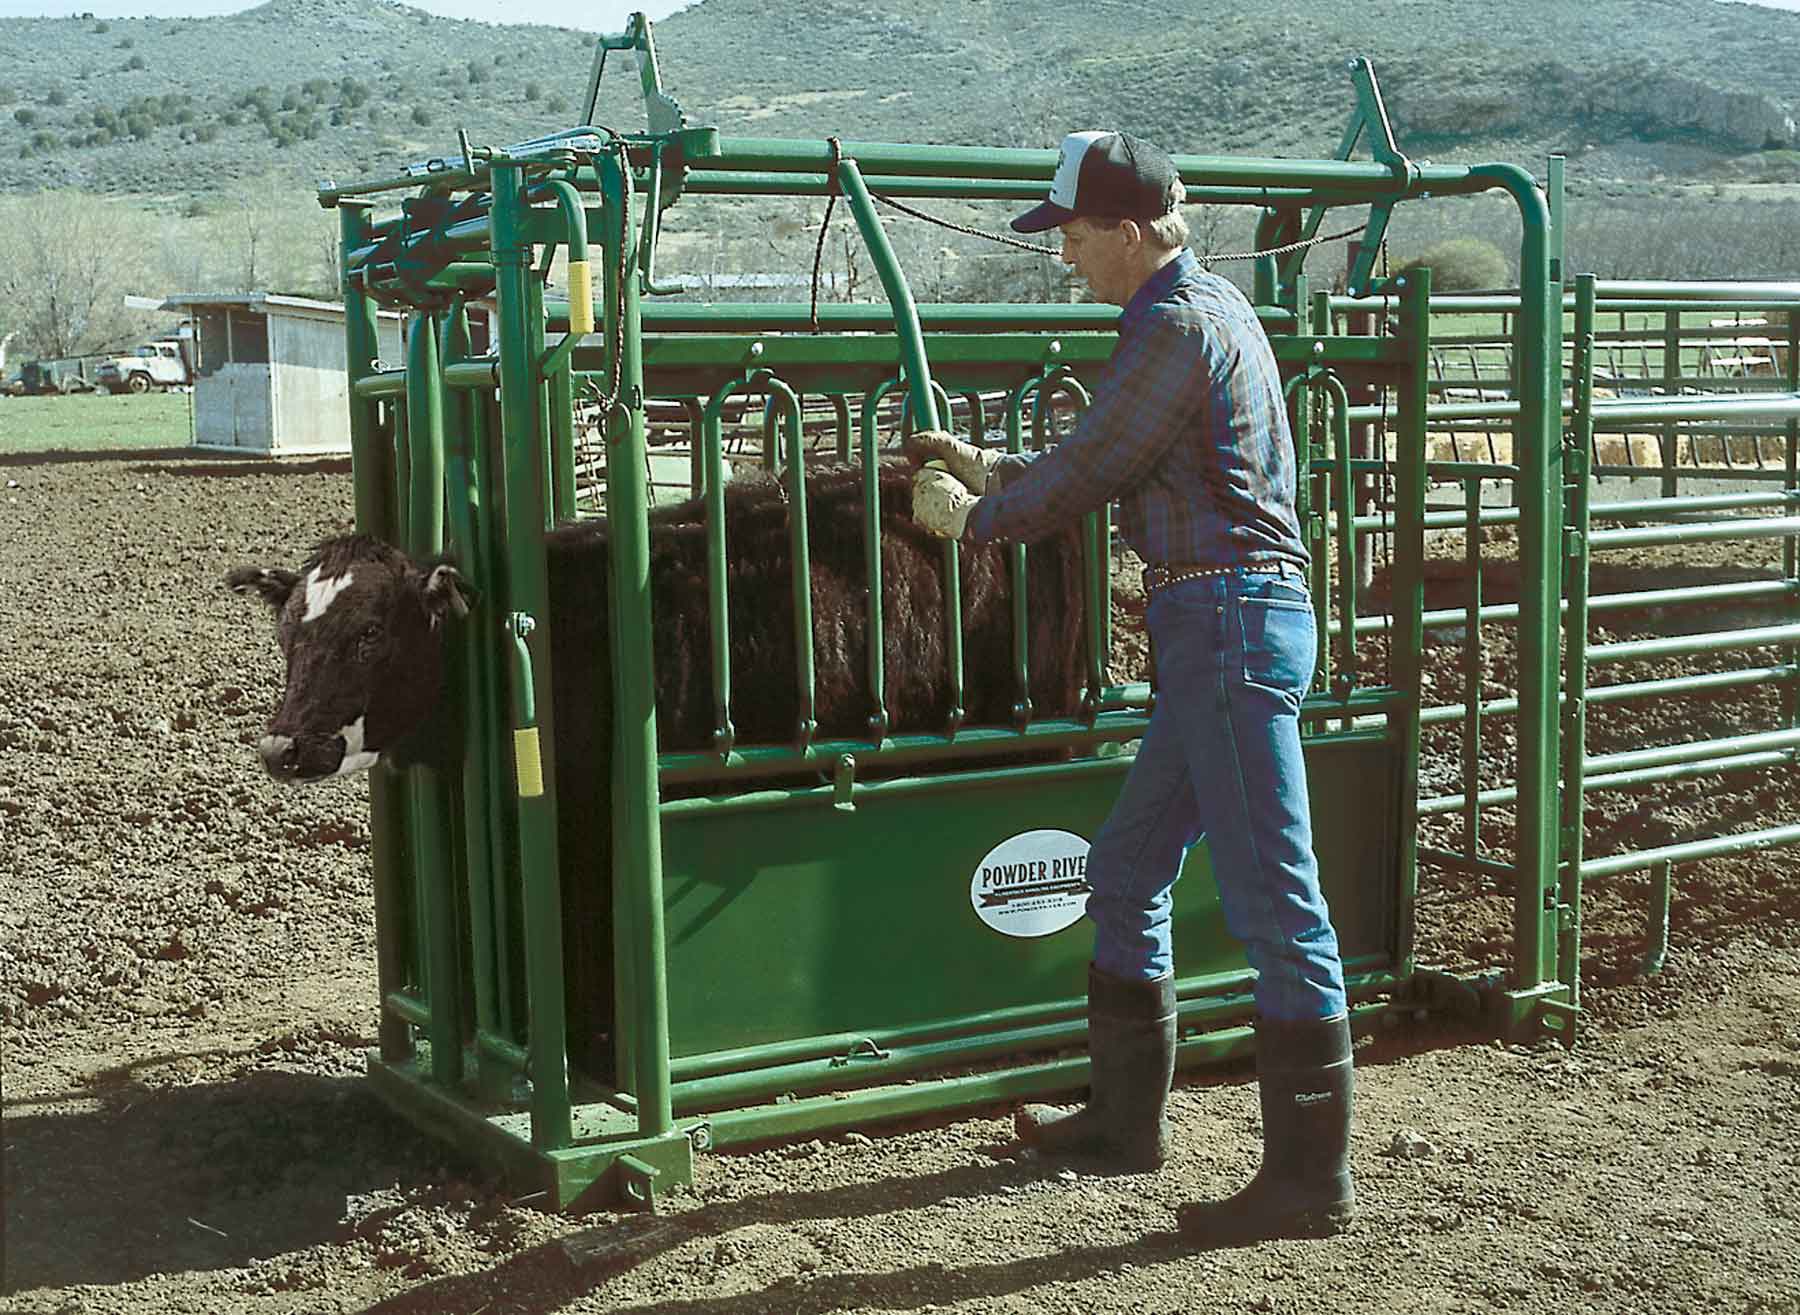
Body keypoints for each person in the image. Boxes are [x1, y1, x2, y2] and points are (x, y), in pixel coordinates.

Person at [908, 130, 1354, 1241]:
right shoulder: (1206, 312)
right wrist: (997, 469)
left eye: (1069, 236)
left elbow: (1098, 469)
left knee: (1274, 902)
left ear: (1123, 229)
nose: (1063, 257)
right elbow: (1115, 452)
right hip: (1221, 624)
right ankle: (1124, 1124)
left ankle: (1308, 1182)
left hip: (1227, 625)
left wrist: (977, 520)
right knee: (1123, 868)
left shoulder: (1170, 326)